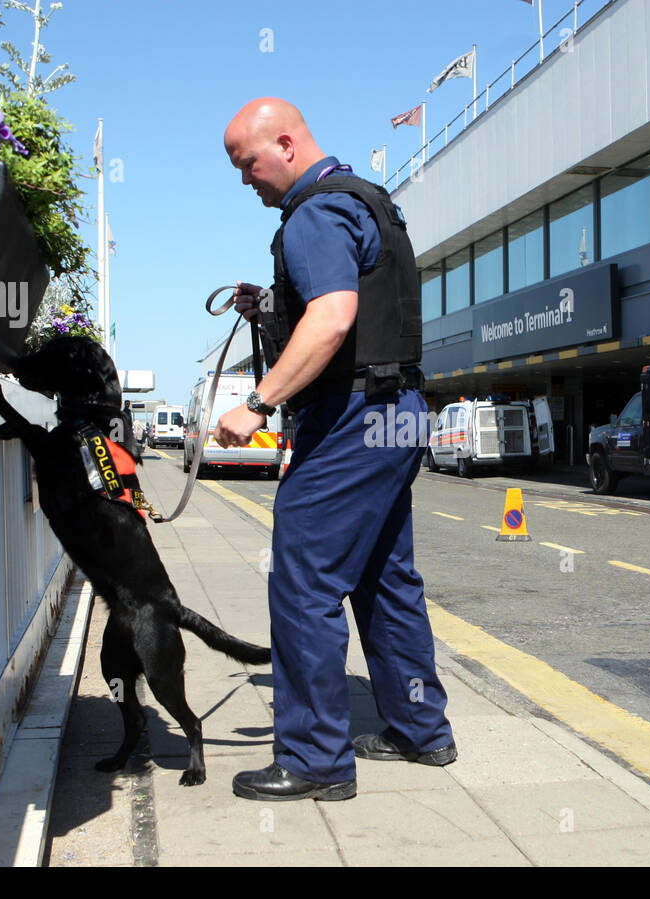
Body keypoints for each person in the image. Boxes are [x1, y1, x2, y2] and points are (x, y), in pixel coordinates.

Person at [214, 97, 456, 801]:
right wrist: (270, 307)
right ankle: (420, 728)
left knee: (304, 582)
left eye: (247, 163)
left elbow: (333, 317)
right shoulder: (368, 200)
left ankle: (315, 758)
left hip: (350, 417)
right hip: (399, 411)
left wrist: (256, 403)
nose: (245, 180)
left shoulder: (313, 214)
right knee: (384, 576)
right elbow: (357, 309)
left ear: (285, 144)